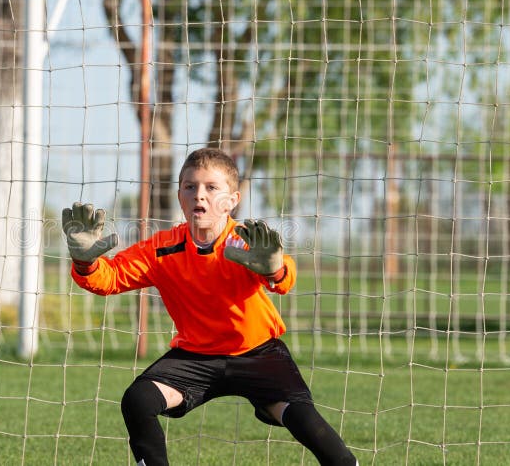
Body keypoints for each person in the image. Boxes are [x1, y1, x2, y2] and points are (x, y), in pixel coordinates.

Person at [62, 148, 357, 466]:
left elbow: (282, 279)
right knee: (138, 399)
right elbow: (109, 279)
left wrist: (275, 269)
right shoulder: (161, 249)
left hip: (258, 353)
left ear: (232, 200)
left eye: (211, 187)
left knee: (303, 417)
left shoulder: (246, 242)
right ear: (180, 196)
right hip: (195, 357)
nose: (199, 195)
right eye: (190, 186)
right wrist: (84, 262)